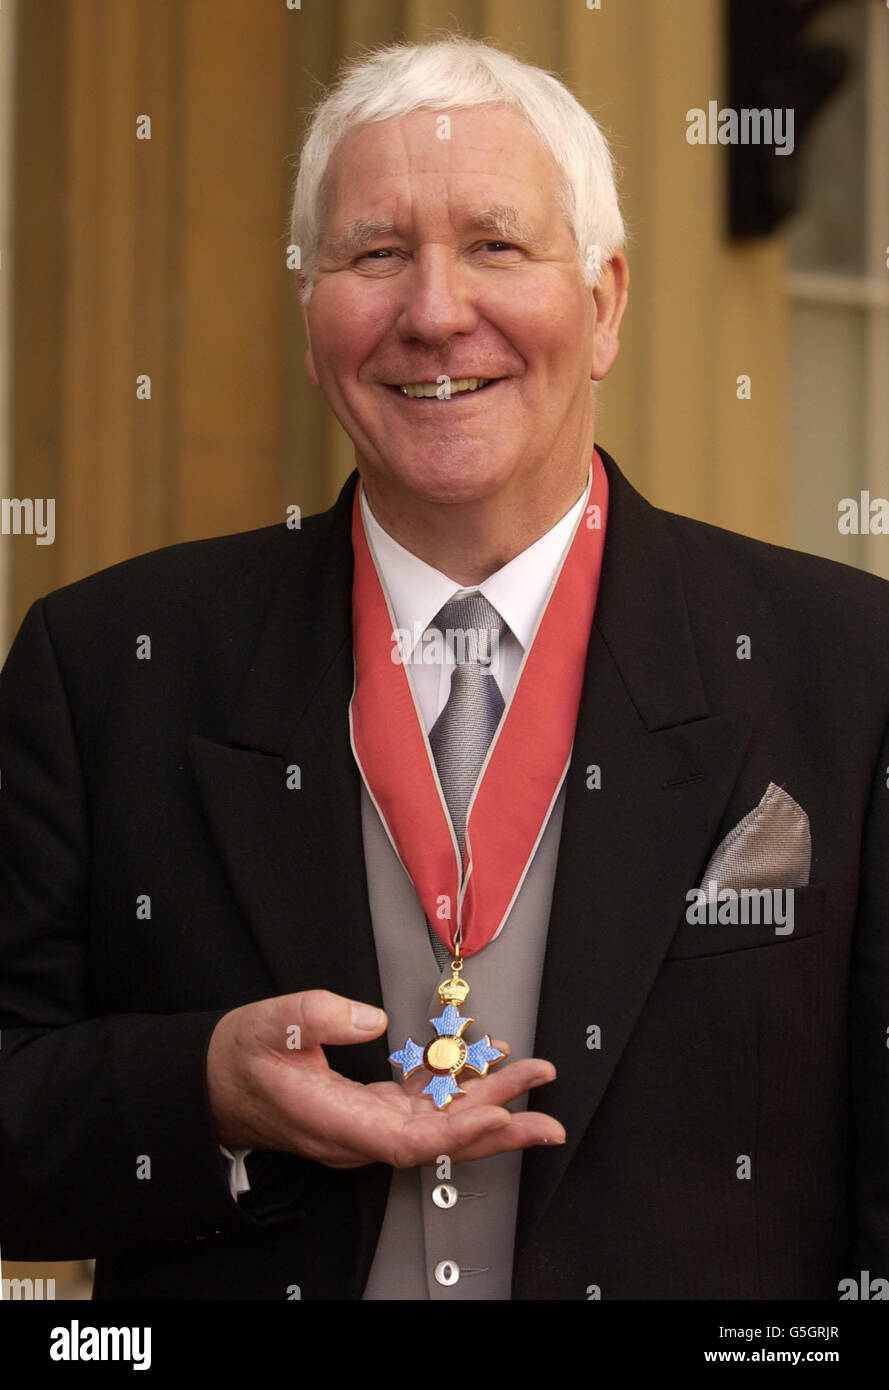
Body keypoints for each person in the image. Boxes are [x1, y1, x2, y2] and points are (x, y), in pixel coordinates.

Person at [1, 35, 887, 1302]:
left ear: (605, 305)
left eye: (495, 246)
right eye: (373, 254)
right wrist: (204, 1089)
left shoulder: (851, 676)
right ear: (312, 323)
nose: (431, 311)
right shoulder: (107, 668)